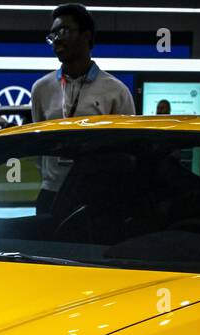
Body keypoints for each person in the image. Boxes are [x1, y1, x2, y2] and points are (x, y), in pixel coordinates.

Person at [30, 4, 135, 214]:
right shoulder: (41, 89)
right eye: (53, 35)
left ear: (87, 35)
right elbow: (38, 148)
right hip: (51, 193)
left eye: (64, 31)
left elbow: (128, 152)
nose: (57, 39)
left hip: (97, 196)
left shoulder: (116, 91)